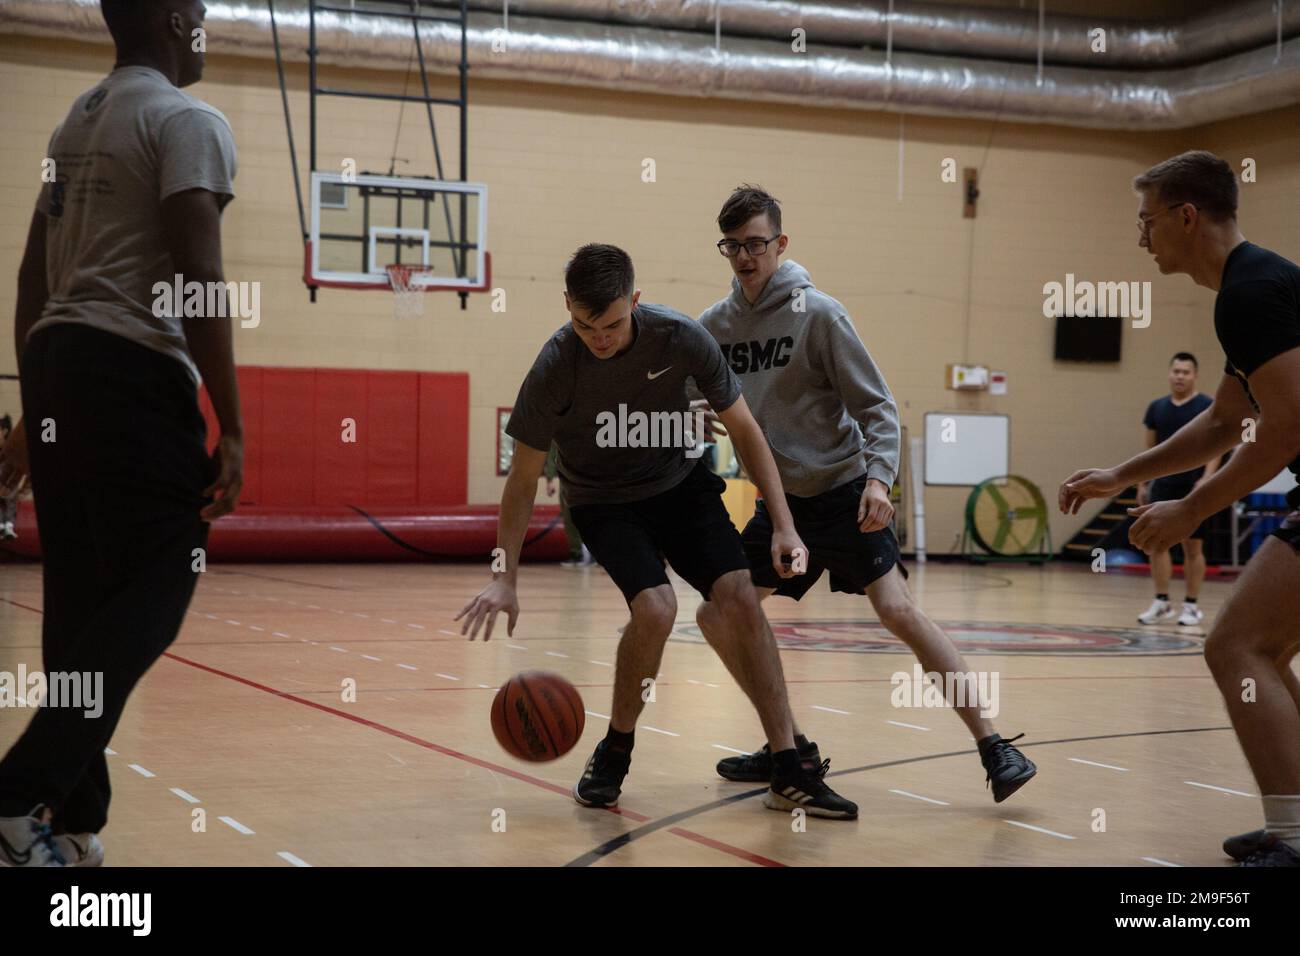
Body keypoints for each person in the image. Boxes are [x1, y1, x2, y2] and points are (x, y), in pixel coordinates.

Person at [457, 243, 858, 818]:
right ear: (567, 306)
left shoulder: (680, 336)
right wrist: (504, 578)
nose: (599, 337)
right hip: (604, 501)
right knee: (656, 608)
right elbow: (521, 481)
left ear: (636, 302)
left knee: (742, 597)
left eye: (613, 324)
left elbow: (745, 431)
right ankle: (616, 746)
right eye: (584, 323)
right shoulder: (554, 367)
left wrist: (785, 526)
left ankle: (789, 765)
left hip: (679, 486)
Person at [0, 0, 244, 867]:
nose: (208, 26)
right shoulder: (188, 119)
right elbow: (200, 276)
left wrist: (37, 404)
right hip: (134, 374)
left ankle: (67, 825)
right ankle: (14, 794)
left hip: (61, 359)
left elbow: (34, 274)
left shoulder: (79, 120)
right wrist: (235, 424)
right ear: (178, 20)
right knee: (157, 588)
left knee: (79, 603)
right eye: (204, 12)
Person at [694, 185, 1037, 803]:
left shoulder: (820, 315)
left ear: (781, 244)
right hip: (781, 505)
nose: (745, 256)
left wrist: (881, 480)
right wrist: (691, 412)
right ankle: (787, 745)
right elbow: (689, 392)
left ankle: (994, 744)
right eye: (733, 246)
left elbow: (877, 408)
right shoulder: (713, 327)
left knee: (898, 610)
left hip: (847, 488)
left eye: (756, 244)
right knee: (720, 612)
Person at [1061, 150, 1300, 867]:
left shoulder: (1250, 293)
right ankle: (1294, 817)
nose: (1142, 237)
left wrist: (1192, 509)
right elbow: (1228, 422)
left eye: (1148, 220)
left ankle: (1294, 836)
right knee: (1263, 649)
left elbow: (1286, 427)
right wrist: (1121, 474)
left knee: (1236, 645)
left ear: (1187, 216)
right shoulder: (1250, 288)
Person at [1136, 352, 1221, 626]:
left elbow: (1218, 446)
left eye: (1185, 372)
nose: (1180, 376)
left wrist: (1207, 478)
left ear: (1195, 375)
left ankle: (1191, 606)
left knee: (1192, 548)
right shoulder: (1156, 408)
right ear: (1169, 373)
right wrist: (1142, 482)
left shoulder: (1207, 405)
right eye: (1176, 371)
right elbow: (1149, 449)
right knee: (1157, 545)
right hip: (1163, 485)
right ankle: (1161, 602)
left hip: (1194, 487)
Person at [543, 441, 594, 567]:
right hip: (570, 478)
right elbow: (553, 452)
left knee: (587, 515)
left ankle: (585, 553)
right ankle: (579, 553)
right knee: (570, 516)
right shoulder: (560, 429)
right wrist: (550, 478)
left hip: (588, 479)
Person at [0, 415, 16, 540]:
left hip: (8, 479)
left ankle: (8, 527)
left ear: (4, 431)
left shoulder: (10, 445)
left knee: (10, 499)